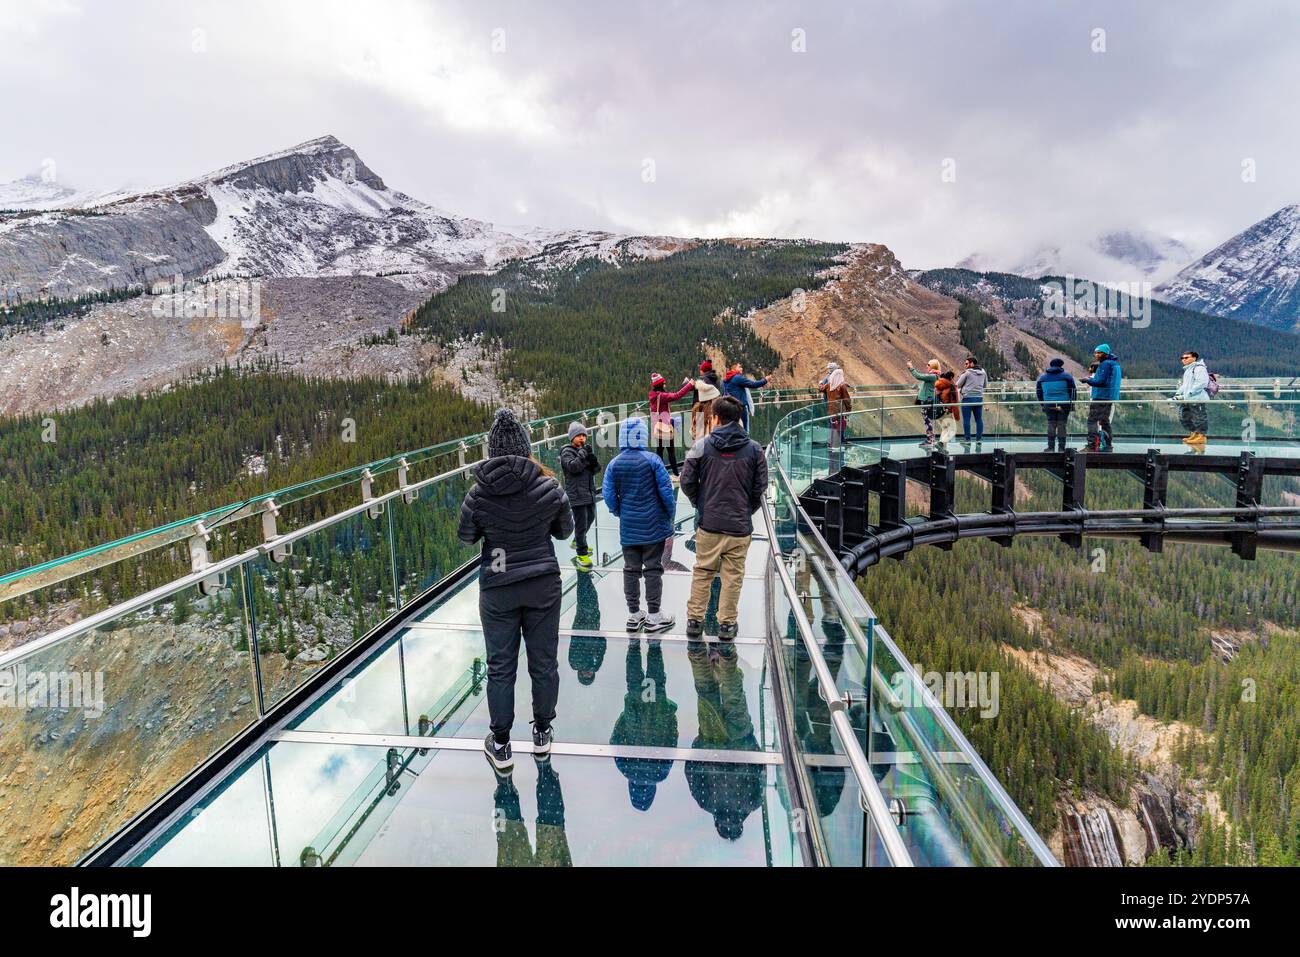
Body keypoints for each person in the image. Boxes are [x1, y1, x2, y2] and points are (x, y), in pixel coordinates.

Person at [458, 408, 574, 771]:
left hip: (498, 587)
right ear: (526, 448)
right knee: (543, 662)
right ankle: (542, 733)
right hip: (542, 584)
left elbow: (465, 537)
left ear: (492, 451)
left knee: (500, 666)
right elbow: (565, 531)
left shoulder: (478, 493)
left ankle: (503, 744)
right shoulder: (548, 485)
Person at [680, 396, 768, 641]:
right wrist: (746, 510)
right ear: (739, 419)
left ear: (715, 418)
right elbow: (760, 487)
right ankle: (727, 625)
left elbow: (687, 482)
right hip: (739, 527)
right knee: (733, 577)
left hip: (710, 524)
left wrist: (702, 504)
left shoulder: (701, 446)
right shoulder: (754, 449)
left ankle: (694, 621)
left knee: (703, 571)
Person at [603, 416, 678, 634]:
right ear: (643, 435)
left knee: (630, 569)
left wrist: (620, 512)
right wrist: (668, 515)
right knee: (653, 568)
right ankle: (654, 616)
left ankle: (634, 615)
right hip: (654, 527)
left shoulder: (614, 464)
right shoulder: (653, 460)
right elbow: (666, 493)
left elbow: (608, 496)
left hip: (629, 527)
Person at [559, 420, 600, 570]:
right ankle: (581, 553)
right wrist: (583, 454)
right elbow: (573, 467)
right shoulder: (566, 451)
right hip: (576, 495)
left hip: (588, 493)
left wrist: (592, 460)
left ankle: (578, 540)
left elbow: (595, 470)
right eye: (579, 435)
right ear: (572, 438)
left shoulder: (584, 452)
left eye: (584, 435)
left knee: (590, 518)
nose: (582, 438)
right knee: (581, 524)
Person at [648, 372, 693, 475]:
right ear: (660, 384)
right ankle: (676, 474)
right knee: (671, 452)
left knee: (659, 451)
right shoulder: (662, 396)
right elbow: (677, 395)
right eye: (664, 383)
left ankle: (657, 474)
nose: (665, 385)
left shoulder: (653, 395)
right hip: (665, 428)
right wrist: (689, 385)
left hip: (657, 428)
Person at [1081, 343, 1123, 452]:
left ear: (1106, 353)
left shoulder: (1106, 364)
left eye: (1099, 352)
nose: (1097, 355)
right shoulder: (1114, 364)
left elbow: (1101, 382)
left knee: (1092, 420)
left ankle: (1091, 445)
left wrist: (1088, 380)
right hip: (1109, 396)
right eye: (1096, 352)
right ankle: (1108, 445)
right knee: (1104, 421)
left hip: (1101, 396)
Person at [1035, 358, 1077, 451]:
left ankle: (1050, 447)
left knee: (1051, 424)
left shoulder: (1042, 378)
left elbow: (1039, 393)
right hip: (1064, 404)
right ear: (1061, 366)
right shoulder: (1067, 377)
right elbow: (1073, 391)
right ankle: (1062, 448)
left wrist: (1042, 404)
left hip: (1048, 403)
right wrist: (1072, 404)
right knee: (1062, 424)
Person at [1173, 350, 1210, 446]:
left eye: (1186, 357)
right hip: (1188, 398)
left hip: (1197, 398)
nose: (1183, 360)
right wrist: (1178, 394)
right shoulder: (1188, 370)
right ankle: (1195, 434)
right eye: (1182, 358)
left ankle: (1201, 436)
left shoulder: (1199, 368)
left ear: (1194, 358)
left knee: (1199, 416)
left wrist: (1189, 393)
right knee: (1187, 416)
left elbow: (1202, 383)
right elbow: (1185, 385)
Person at [721, 362, 769, 431]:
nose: (741, 368)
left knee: (733, 430)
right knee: (745, 430)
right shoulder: (737, 378)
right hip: (740, 408)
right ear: (734, 368)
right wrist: (765, 380)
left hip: (730, 408)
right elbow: (753, 384)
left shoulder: (725, 380)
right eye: (739, 367)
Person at [907, 358, 941, 447]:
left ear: (933, 366)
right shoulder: (933, 376)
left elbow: (918, 376)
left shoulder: (932, 376)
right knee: (927, 420)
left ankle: (931, 439)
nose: (927, 366)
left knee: (927, 420)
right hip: (927, 400)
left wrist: (911, 368)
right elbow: (924, 385)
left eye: (928, 364)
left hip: (927, 400)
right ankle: (930, 438)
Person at [954, 356, 987, 444]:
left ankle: (967, 439)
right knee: (979, 419)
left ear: (972, 364)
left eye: (966, 363)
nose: (965, 365)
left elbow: (958, 385)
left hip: (967, 399)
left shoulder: (967, 373)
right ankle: (979, 439)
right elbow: (985, 385)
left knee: (966, 420)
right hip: (979, 398)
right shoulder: (983, 372)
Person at [818, 361, 851, 448]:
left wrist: (820, 383)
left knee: (833, 425)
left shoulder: (829, 382)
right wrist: (849, 410)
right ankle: (840, 441)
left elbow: (821, 389)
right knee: (840, 425)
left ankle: (831, 443)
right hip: (840, 408)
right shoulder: (841, 385)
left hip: (831, 408)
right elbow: (847, 399)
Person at [691, 360, 722, 441]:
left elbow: (690, 387)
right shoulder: (716, 379)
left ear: (702, 370)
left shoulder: (701, 380)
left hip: (701, 409)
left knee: (699, 436)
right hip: (714, 409)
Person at [934, 369, 960, 446]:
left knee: (945, 429)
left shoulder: (938, 386)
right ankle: (941, 443)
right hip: (947, 412)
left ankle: (943, 449)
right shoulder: (951, 387)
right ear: (951, 378)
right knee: (952, 430)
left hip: (938, 411)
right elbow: (954, 402)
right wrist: (957, 416)